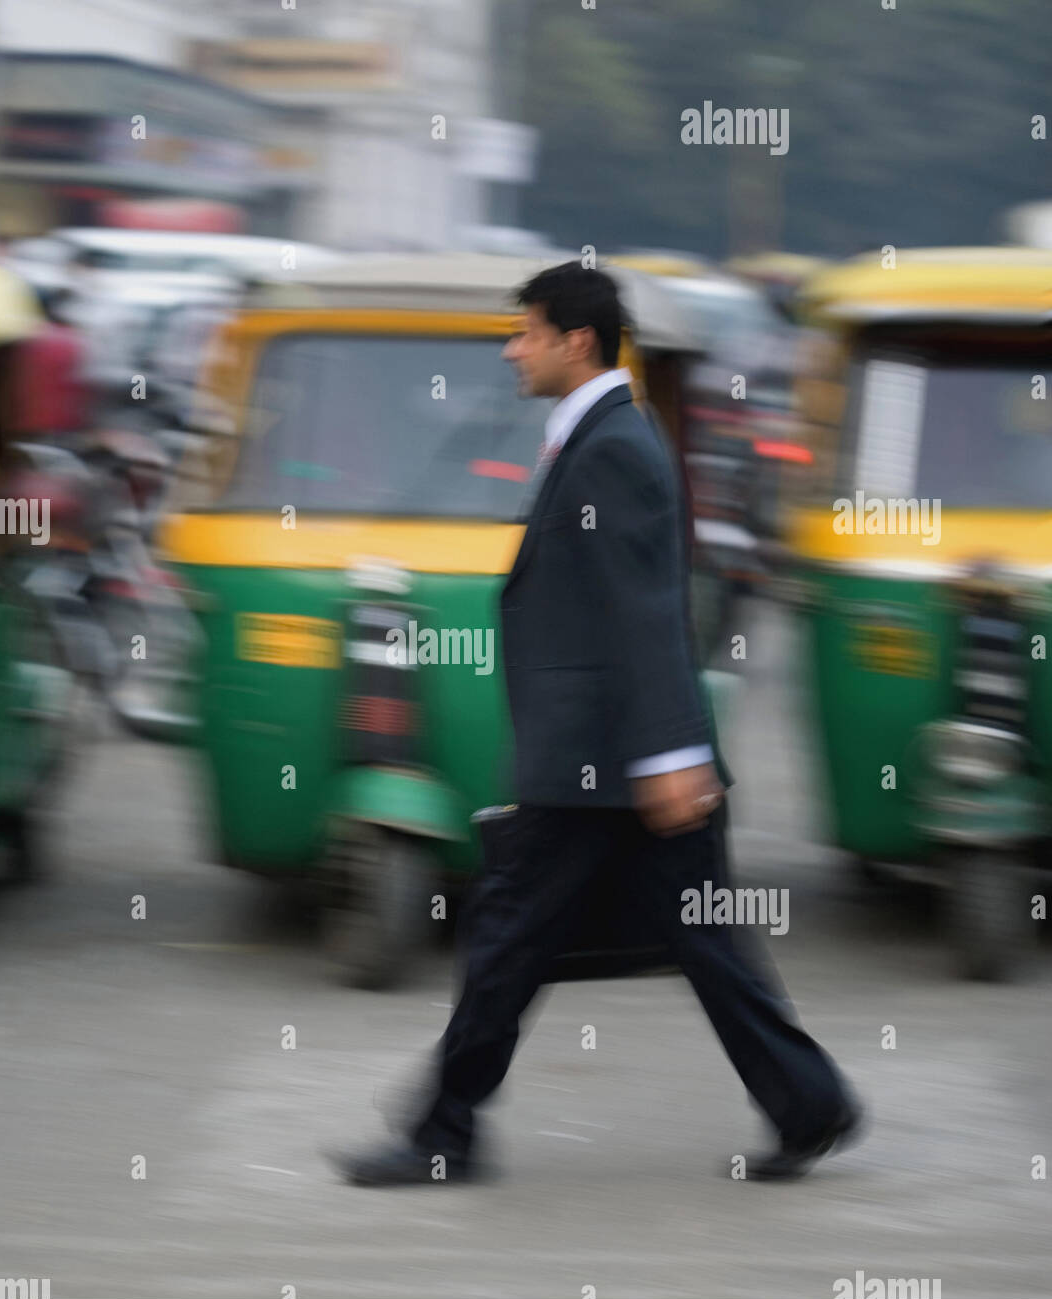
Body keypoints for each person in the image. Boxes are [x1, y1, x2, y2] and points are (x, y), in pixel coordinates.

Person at [328, 262, 863, 1186]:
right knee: (686, 941)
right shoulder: (602, 434)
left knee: (509, 939)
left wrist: (667, 755)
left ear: (575, 340)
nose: (510, 349)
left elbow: (646, 610)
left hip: (605, 763)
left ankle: (442, 1136)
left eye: (523, 332)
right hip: (612, 762)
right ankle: (809, 1105)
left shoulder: (612, 446)